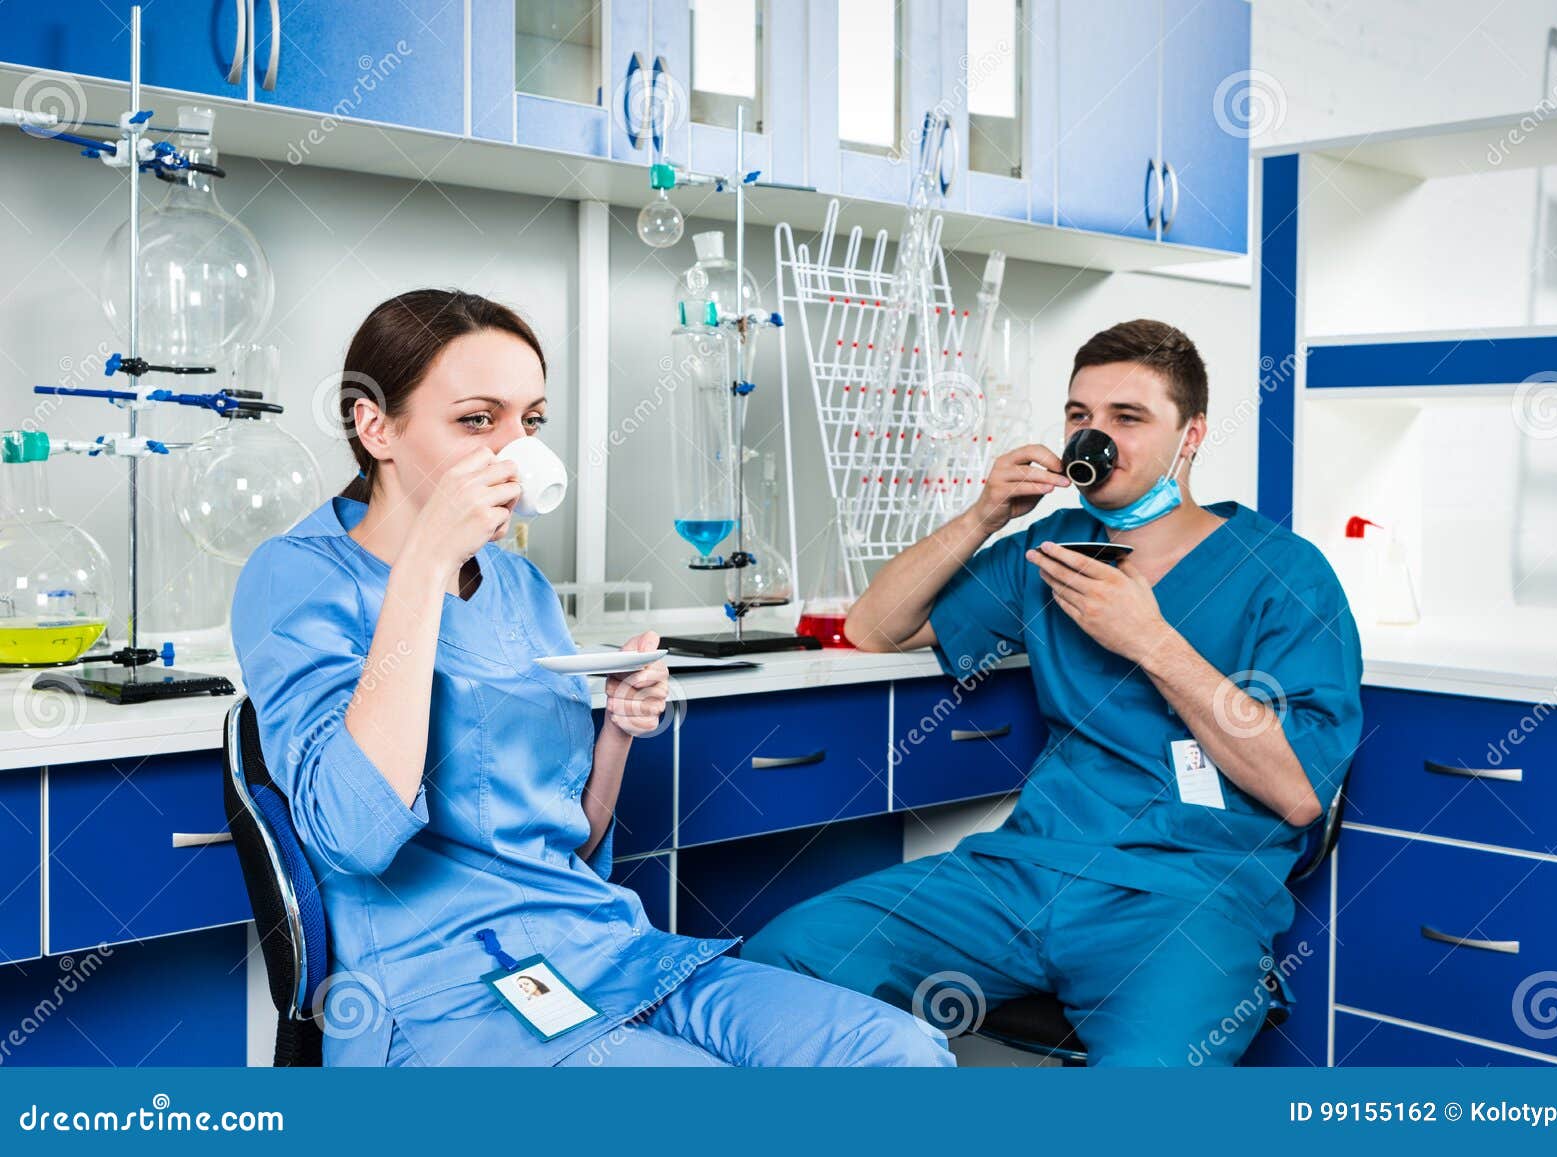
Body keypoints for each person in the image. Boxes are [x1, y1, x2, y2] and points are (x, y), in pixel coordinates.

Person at [231, 289, 952, 1069]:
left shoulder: (520, 588)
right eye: (478, 420)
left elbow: (568, 838)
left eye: (530, 422)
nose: (513, 449)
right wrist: (426, 563)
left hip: (598, 946)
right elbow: (355, 835)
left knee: (898, 1050)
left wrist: (615, 730)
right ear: (377, 427)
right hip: (439, 990)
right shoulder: (298, 578)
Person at [744, 319, 1363, 1066]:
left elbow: (1299, 791)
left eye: (1127, 419)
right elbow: (875, 626)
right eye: (1080, 417)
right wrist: (985, 515)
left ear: (1191, 434)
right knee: (780, 963)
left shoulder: (1286, 574)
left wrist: (1150, 638)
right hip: (1021, 874)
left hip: (1183, 899)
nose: (1092, 438)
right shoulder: (1053, 551)